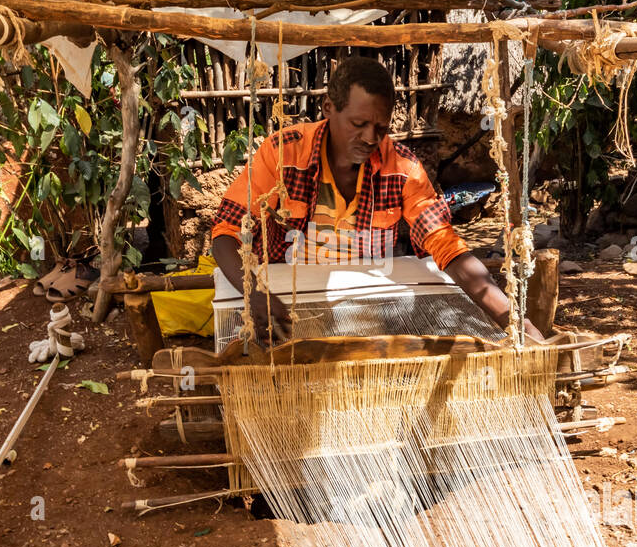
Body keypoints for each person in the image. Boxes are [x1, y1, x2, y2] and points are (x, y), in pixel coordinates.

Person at [212, 54, 543, 345]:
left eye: (380, 128)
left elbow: (446, 245)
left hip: (367, 309)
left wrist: (515, 320)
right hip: (285, 309)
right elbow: (226, 231)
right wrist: (254, 294)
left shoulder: (401, 169)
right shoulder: (283, 153)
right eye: (359, 124)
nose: (370, 138)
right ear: (328, 108)